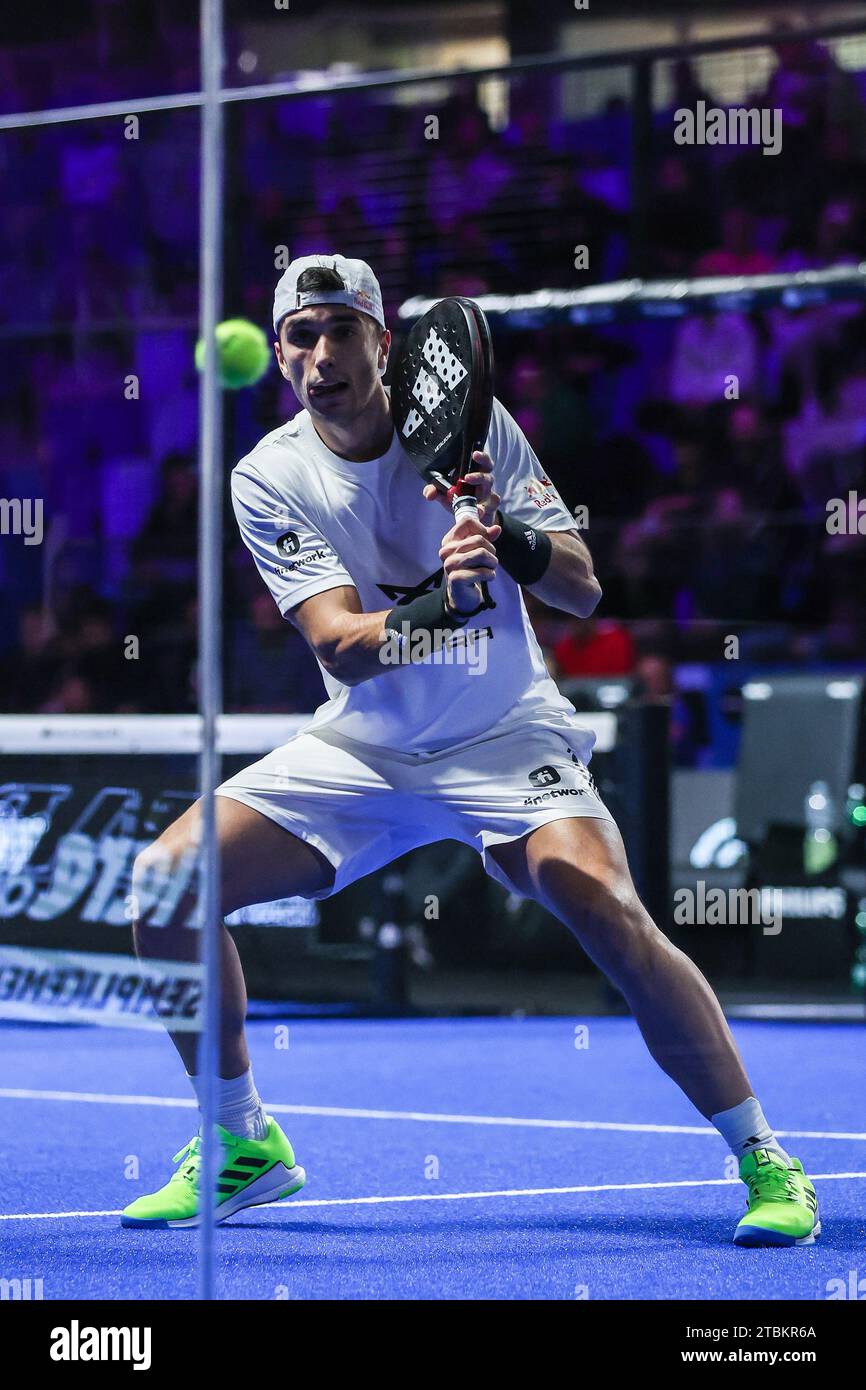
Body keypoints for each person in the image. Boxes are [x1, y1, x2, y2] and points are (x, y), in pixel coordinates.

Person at [123, 255, 819, 1247]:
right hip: (365, 747)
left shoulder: (471, 423)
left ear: (382, 341)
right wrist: (438, 599)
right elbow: (337, 647)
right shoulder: (267, 475)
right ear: (277, 358)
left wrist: (512, 541)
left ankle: (762, 1156)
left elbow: (581, 587)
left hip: (504, 731)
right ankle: (240, 1142)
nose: (321, 356)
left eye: (339, 330)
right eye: (299, 337)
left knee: (605, 906)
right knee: (166, 882)